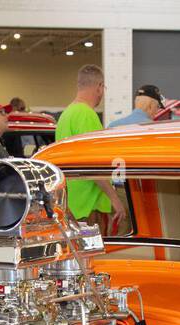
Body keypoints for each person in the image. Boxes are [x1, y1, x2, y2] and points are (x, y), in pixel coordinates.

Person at [55, 66, 129, 231]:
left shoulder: (66, 115)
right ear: (99, 87)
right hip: (89, 207)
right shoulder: (87, 115)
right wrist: (115, 199)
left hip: (72, 204)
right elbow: (93, 165)